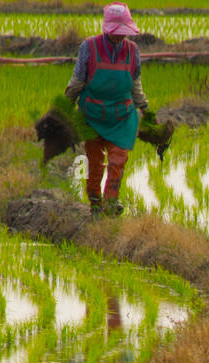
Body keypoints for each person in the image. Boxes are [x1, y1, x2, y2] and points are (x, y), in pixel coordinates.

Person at [64, 3, 153, 217]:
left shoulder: (132, 50)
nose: (121, 37)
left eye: (124, 33)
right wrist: (64, 107)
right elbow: (77, 81)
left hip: (121, 117)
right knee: (95, 163)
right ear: (107, 29)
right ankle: (95, 204)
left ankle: (110, 204)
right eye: (117, 33)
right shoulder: (89, 47)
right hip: (92, 116)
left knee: (118, 160)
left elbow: (135, 83)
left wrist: (145, 108)